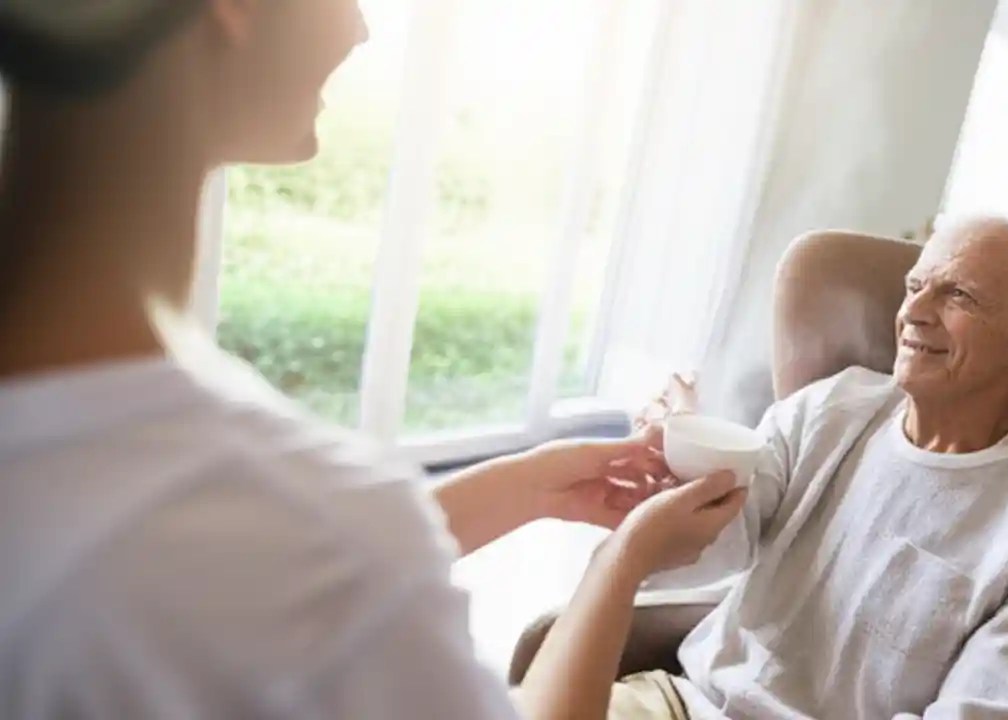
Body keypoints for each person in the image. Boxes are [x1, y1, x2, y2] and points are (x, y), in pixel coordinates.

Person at [0, 2, 745, 718]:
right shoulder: (308, 519)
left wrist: (529, 488)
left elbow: (243, 570)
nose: (358, 27)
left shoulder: (102, 461)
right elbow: (295, 555)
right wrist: (624, 564)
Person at [631, 215, 1008, 719]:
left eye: (958, 295)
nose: (913, 312)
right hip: (676, 703)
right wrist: (675, 476)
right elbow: (707, 545)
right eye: (915, 286)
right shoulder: (833, 405)